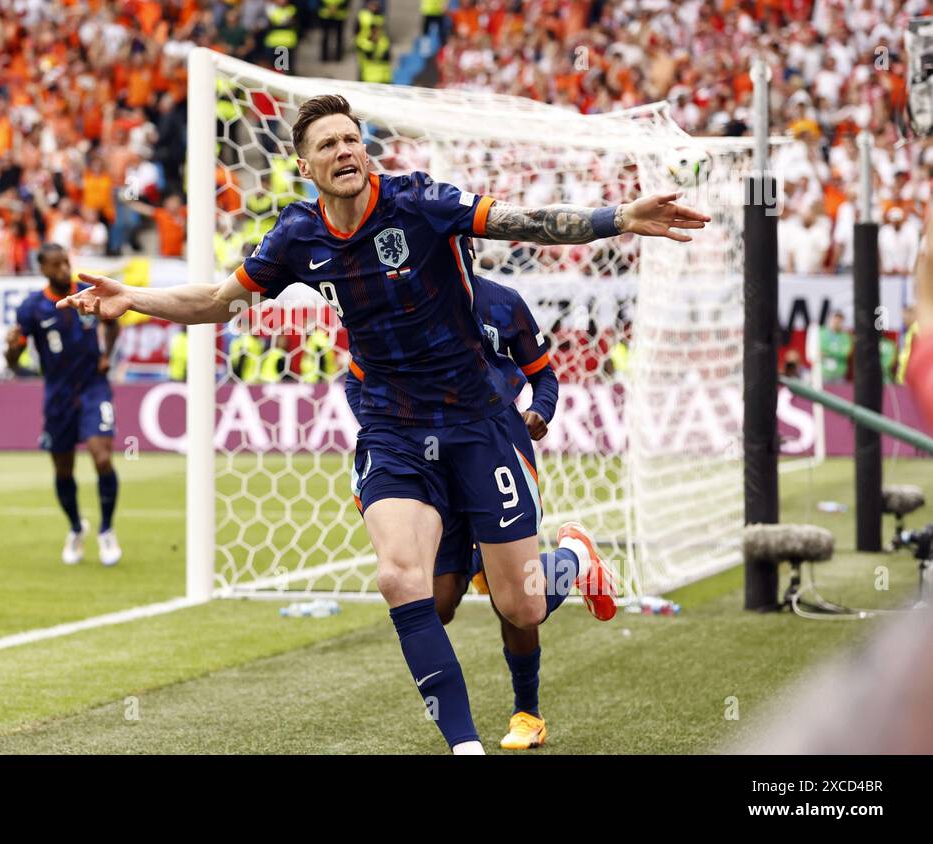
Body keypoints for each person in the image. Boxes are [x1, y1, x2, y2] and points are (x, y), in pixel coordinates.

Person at [59, 93, 708, 752]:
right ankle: (465, 746)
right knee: (403, 580)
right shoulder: (297, 237)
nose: (345, 151)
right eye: (329, 145)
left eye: (352, 139)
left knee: (522, 606)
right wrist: (132, 299)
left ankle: (570, 559)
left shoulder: (421, 203)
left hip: (477, 422)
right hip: (393, 427)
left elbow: (528, 222)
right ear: (305, 166)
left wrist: (620, 216)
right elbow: (220, 301)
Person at [345, 273, 560, 749]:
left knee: (518, 606)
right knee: (437, 603)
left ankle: (528, 710)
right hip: (424, 462)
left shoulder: (502, 303)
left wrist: (539, 411)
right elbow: (356, 381)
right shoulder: (391, 304)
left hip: (492, 447)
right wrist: (383, 428)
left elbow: (543, 373)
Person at [6, 245, 121, 565]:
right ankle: (75, 528)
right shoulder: (32, 308)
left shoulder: (88, 293)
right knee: (63, 468)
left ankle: (107, 531)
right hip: (58, 394)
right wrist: (11, 349)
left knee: (102, 458)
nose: (62, 269)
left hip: (93, 387)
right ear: (42, 269)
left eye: (65, 262)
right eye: (55, 265)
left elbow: (113, 324)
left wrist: (105, 357)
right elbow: (14, 358)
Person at [819, 310, 852, 383]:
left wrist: (828, 353)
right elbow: (819, 351)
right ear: (830, 320)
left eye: (839, 321)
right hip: (824, 373)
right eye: (835, 320)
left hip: (839, 374)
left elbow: (846, 353)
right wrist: (837, 351)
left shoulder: (845, 336)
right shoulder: (822, 333)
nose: (837, 323)